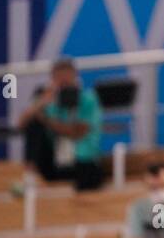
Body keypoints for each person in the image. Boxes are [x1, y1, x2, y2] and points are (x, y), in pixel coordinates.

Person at [16, 57, 103, 186]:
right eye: (59, 78)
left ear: (75, 76)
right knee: (34, 124)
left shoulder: (88, 98)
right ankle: (30, 174)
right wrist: (40, 102)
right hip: (54, 161)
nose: (63, 82)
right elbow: (20, 125)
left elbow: (77, 132)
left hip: (83, 162)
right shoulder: (48, 100)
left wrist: (46, 120)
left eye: (66, 78)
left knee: (40, 121)